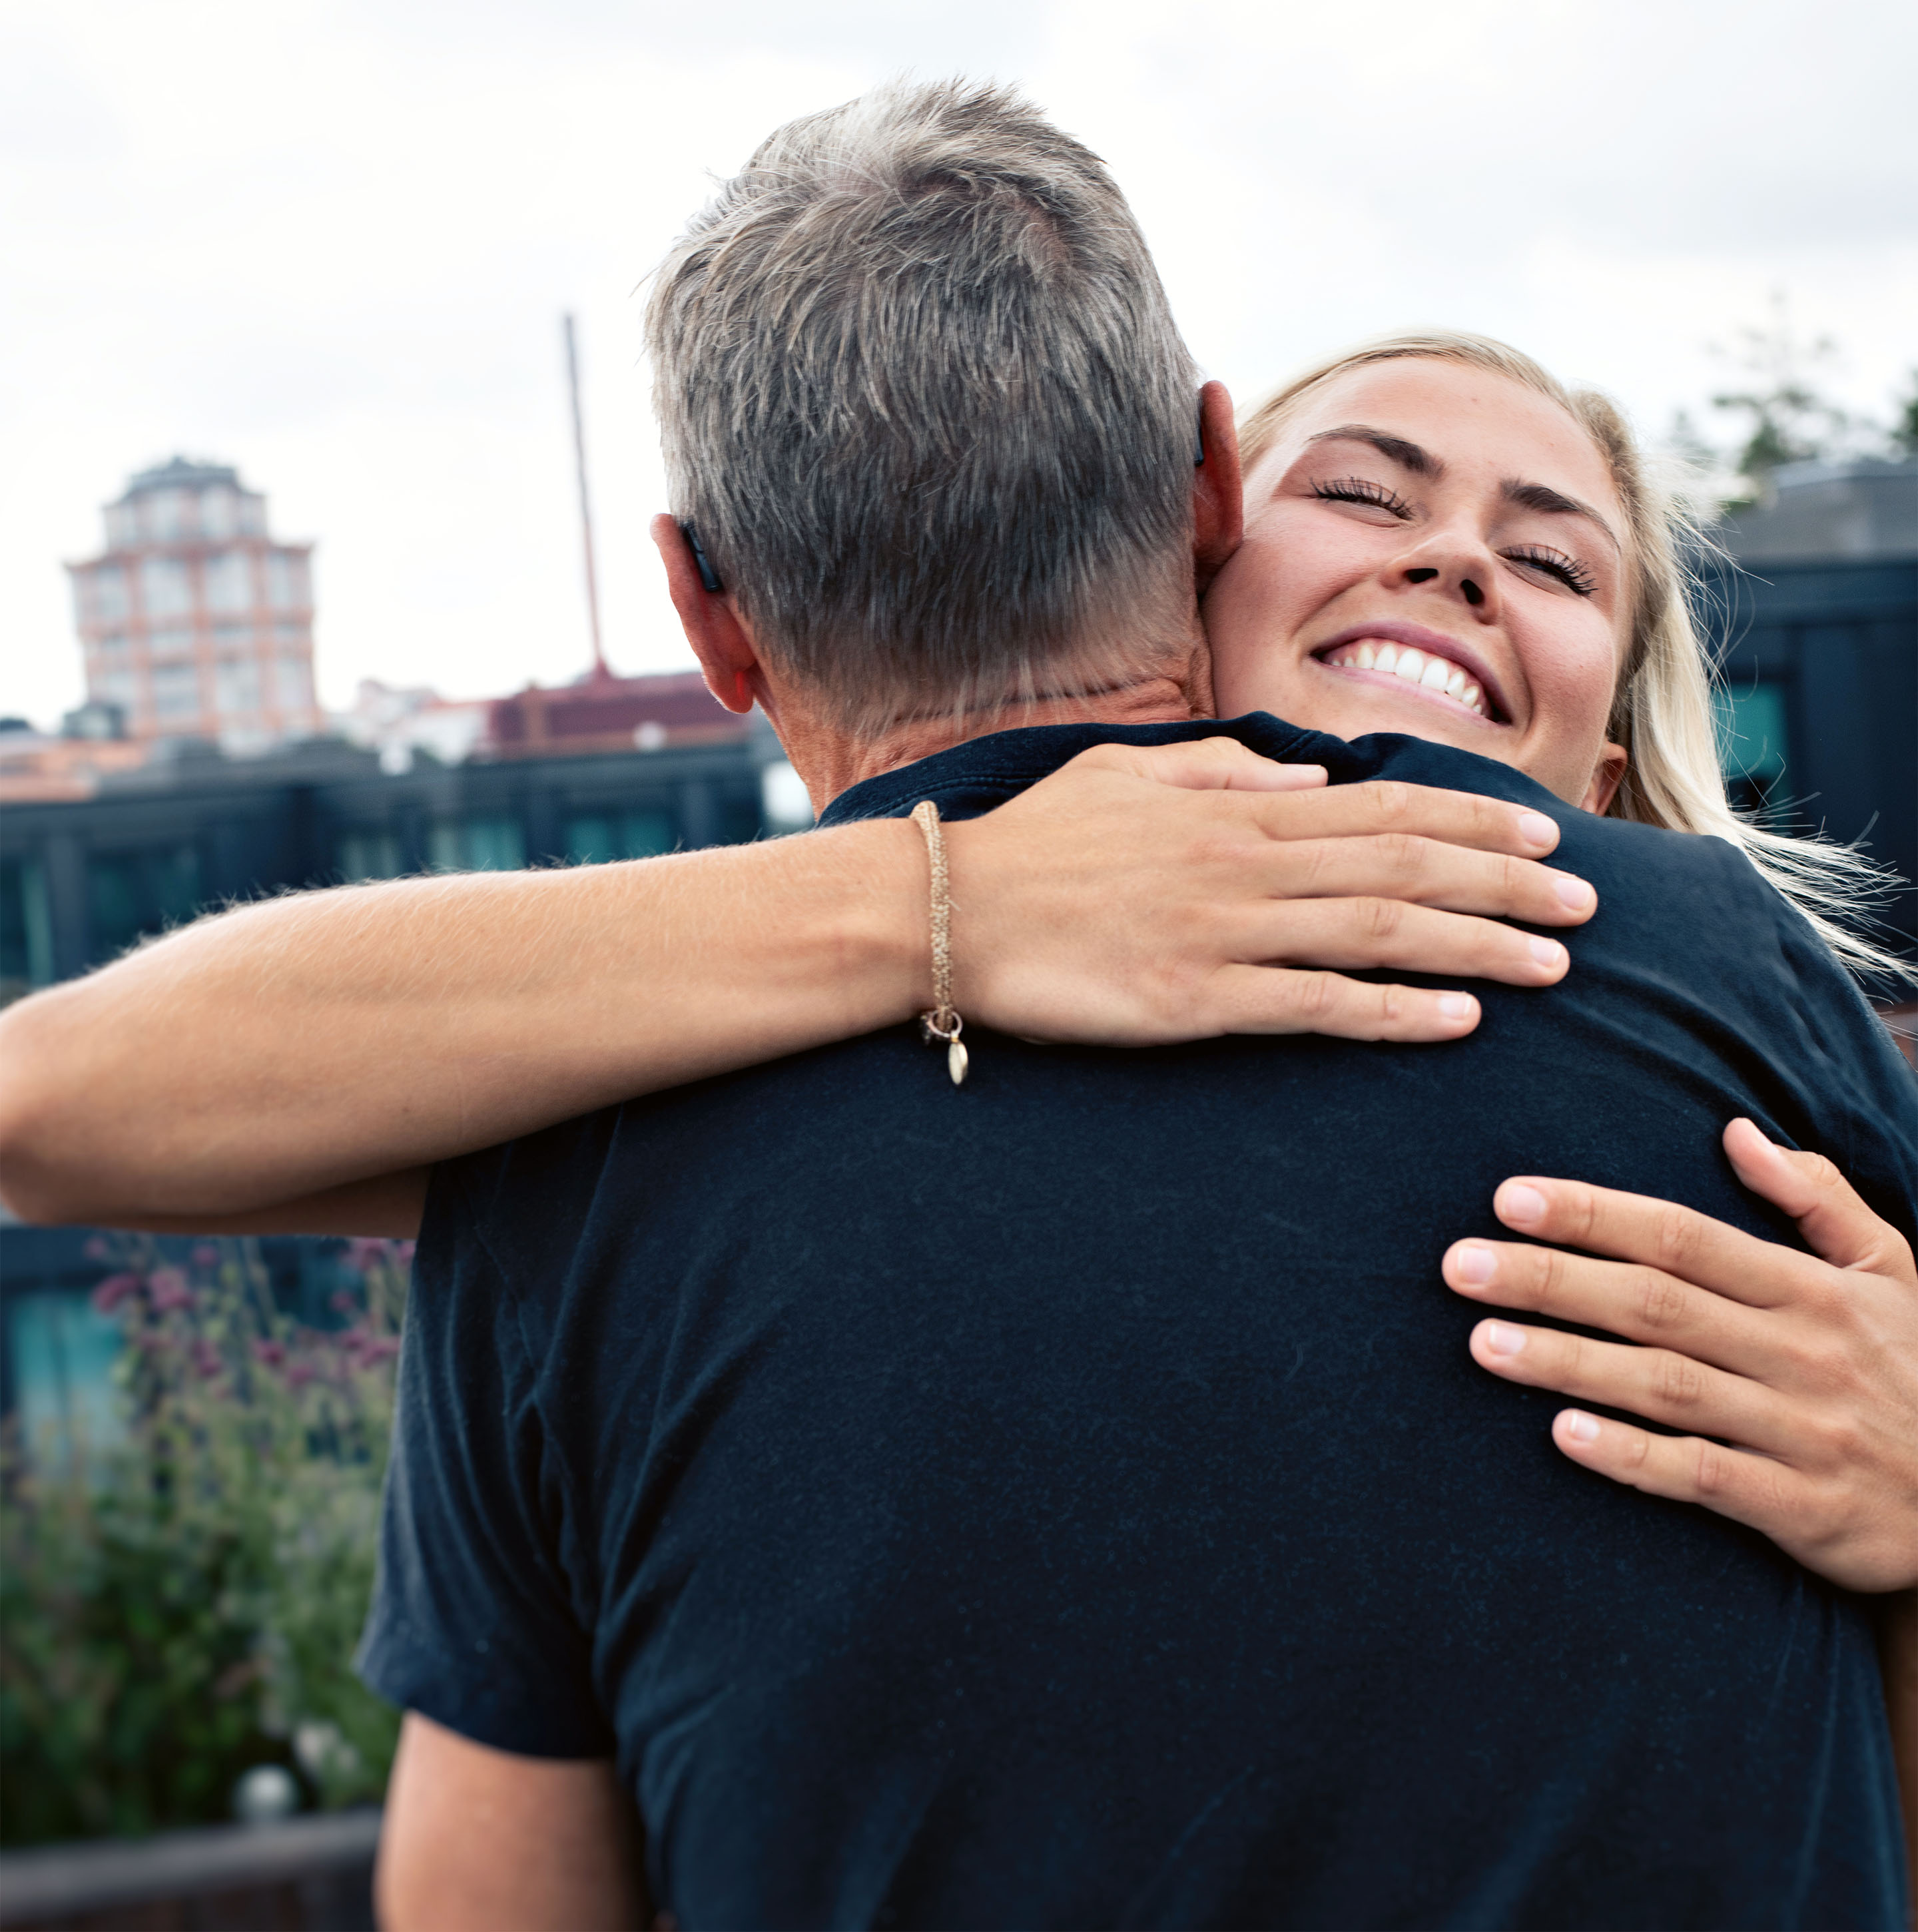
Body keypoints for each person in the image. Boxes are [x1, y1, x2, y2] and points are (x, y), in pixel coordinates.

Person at [324, 83, 1916, 1928]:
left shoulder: (571, 1127)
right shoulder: (1715, 983)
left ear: (708, 614)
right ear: (1204, 512)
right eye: (1365, 494)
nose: (1457, 565)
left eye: (1555, 563)